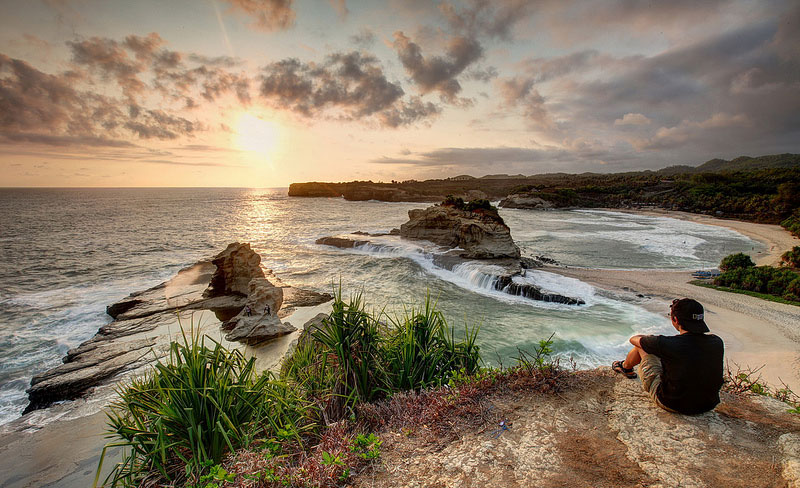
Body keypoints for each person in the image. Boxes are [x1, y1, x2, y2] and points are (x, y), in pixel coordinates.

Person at [612, 298, 724, 414]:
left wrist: (650, 339)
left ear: (675, 319)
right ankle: (626, 367)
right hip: (708, 405)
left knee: (642, 346)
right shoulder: (717, 342)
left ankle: (626, 367)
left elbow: (633, 339)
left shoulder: (669, 344)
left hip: (671, 403)